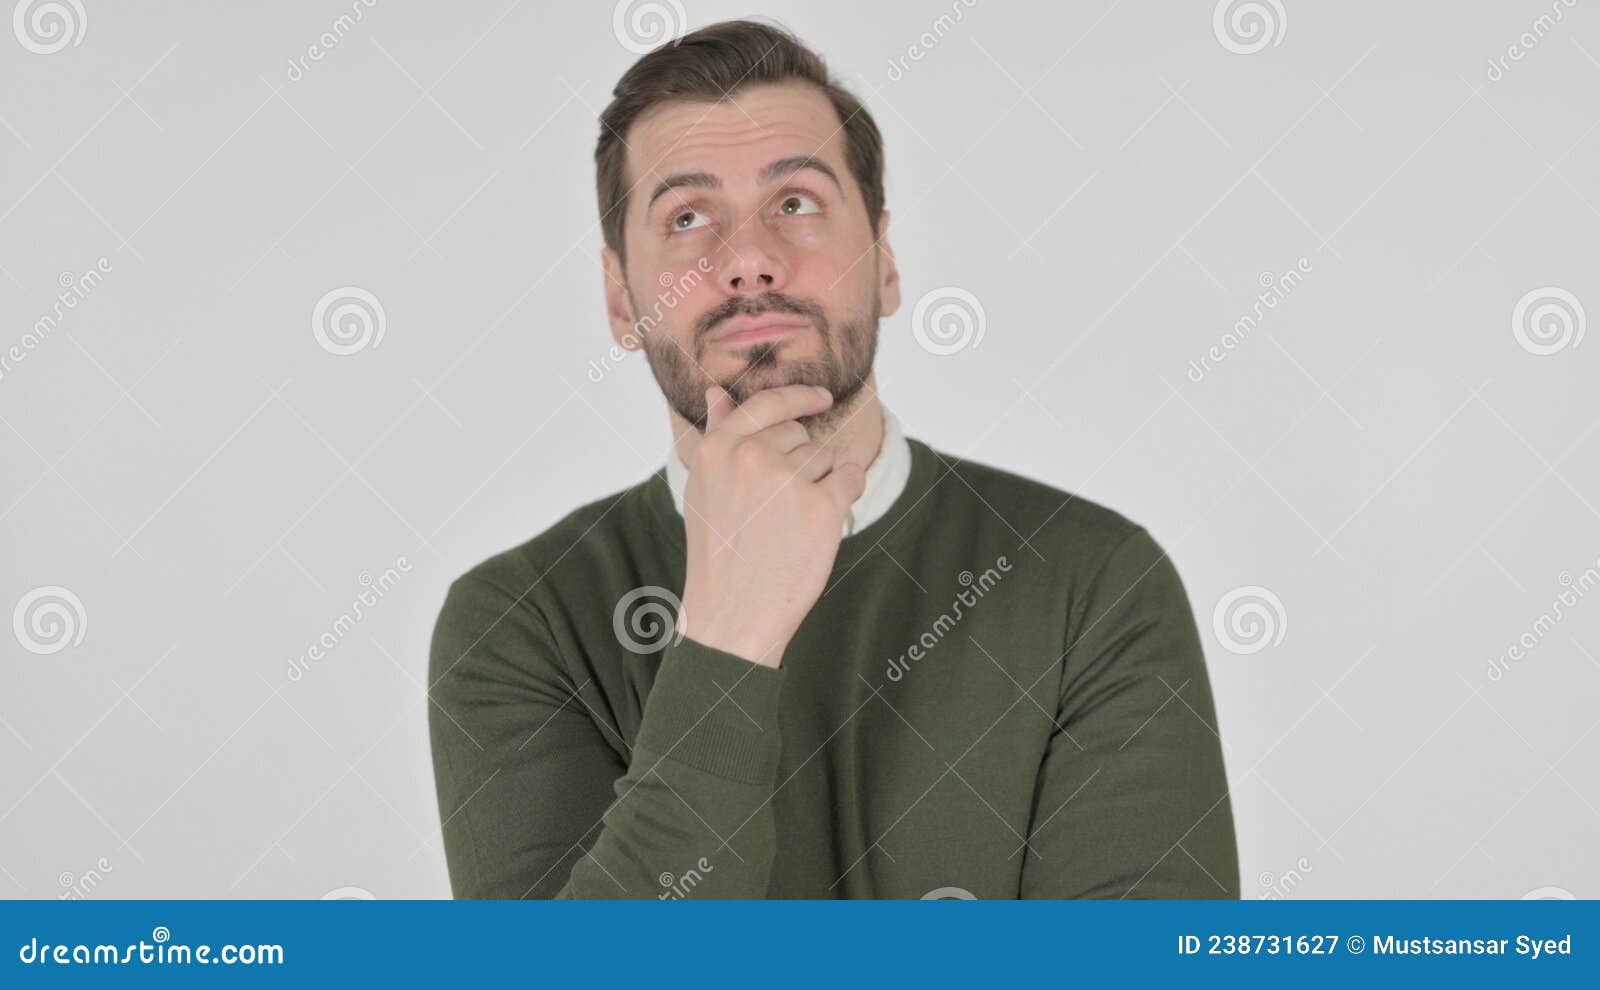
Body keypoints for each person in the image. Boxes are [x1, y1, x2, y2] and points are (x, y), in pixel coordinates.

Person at [427, 18, 1238, 899]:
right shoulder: (520, 623)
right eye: (688, 216)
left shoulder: (1094, 581)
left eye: (797, 203)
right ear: (623, 301)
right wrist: (729, 640)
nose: (748, 261)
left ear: (884, 262)